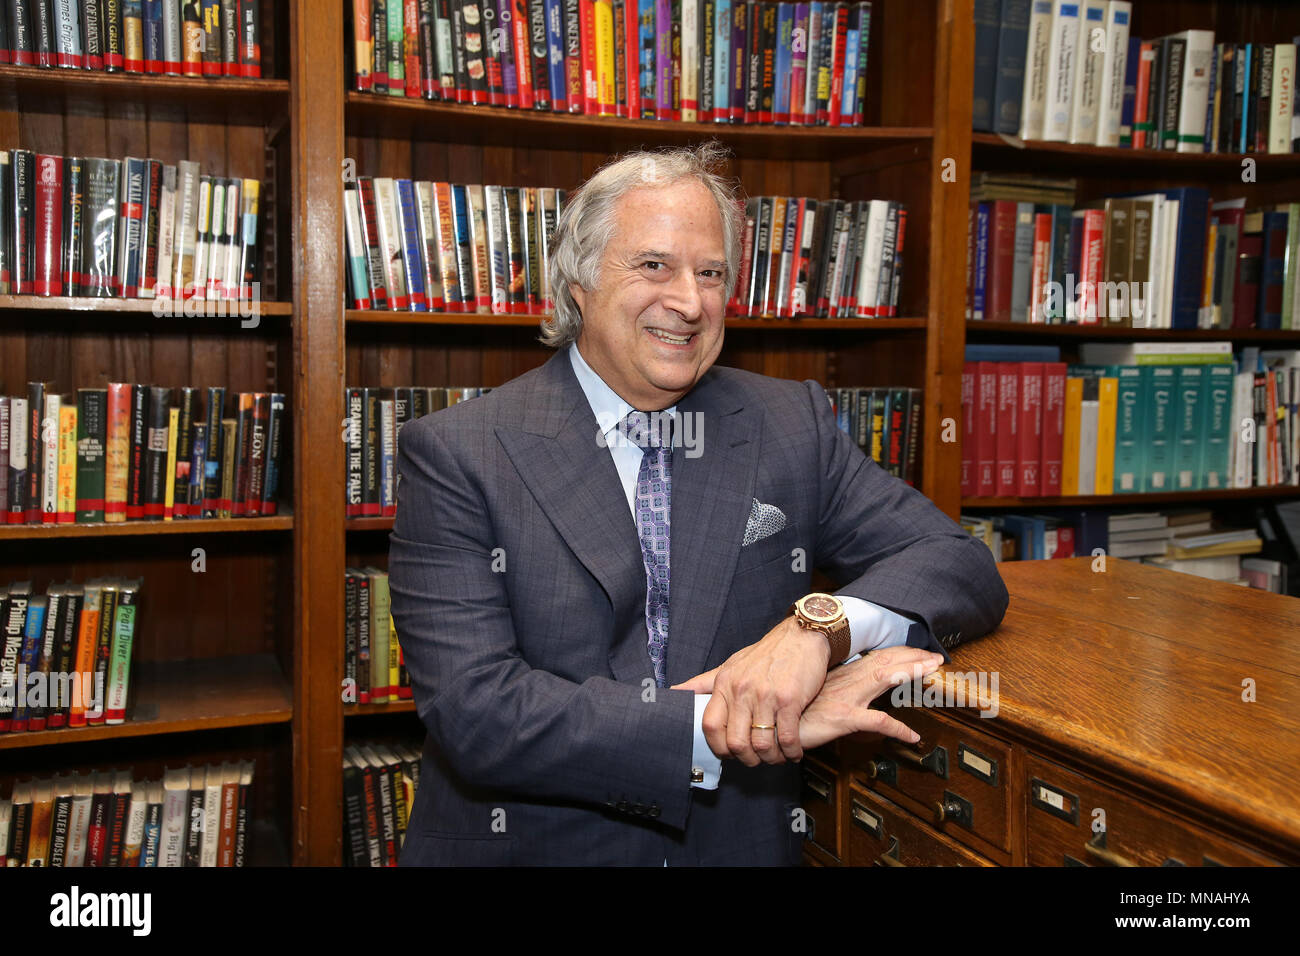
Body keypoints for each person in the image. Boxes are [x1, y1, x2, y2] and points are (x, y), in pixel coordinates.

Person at [388, 143, 1009, 866]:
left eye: (710, 273)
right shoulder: (458, 451)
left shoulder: (788, 424)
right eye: (654, 266)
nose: (689, 302)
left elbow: (957, 561)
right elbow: (478, 711)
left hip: (738, 843)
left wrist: (819, 630)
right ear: (579, 281)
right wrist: (729, 720)